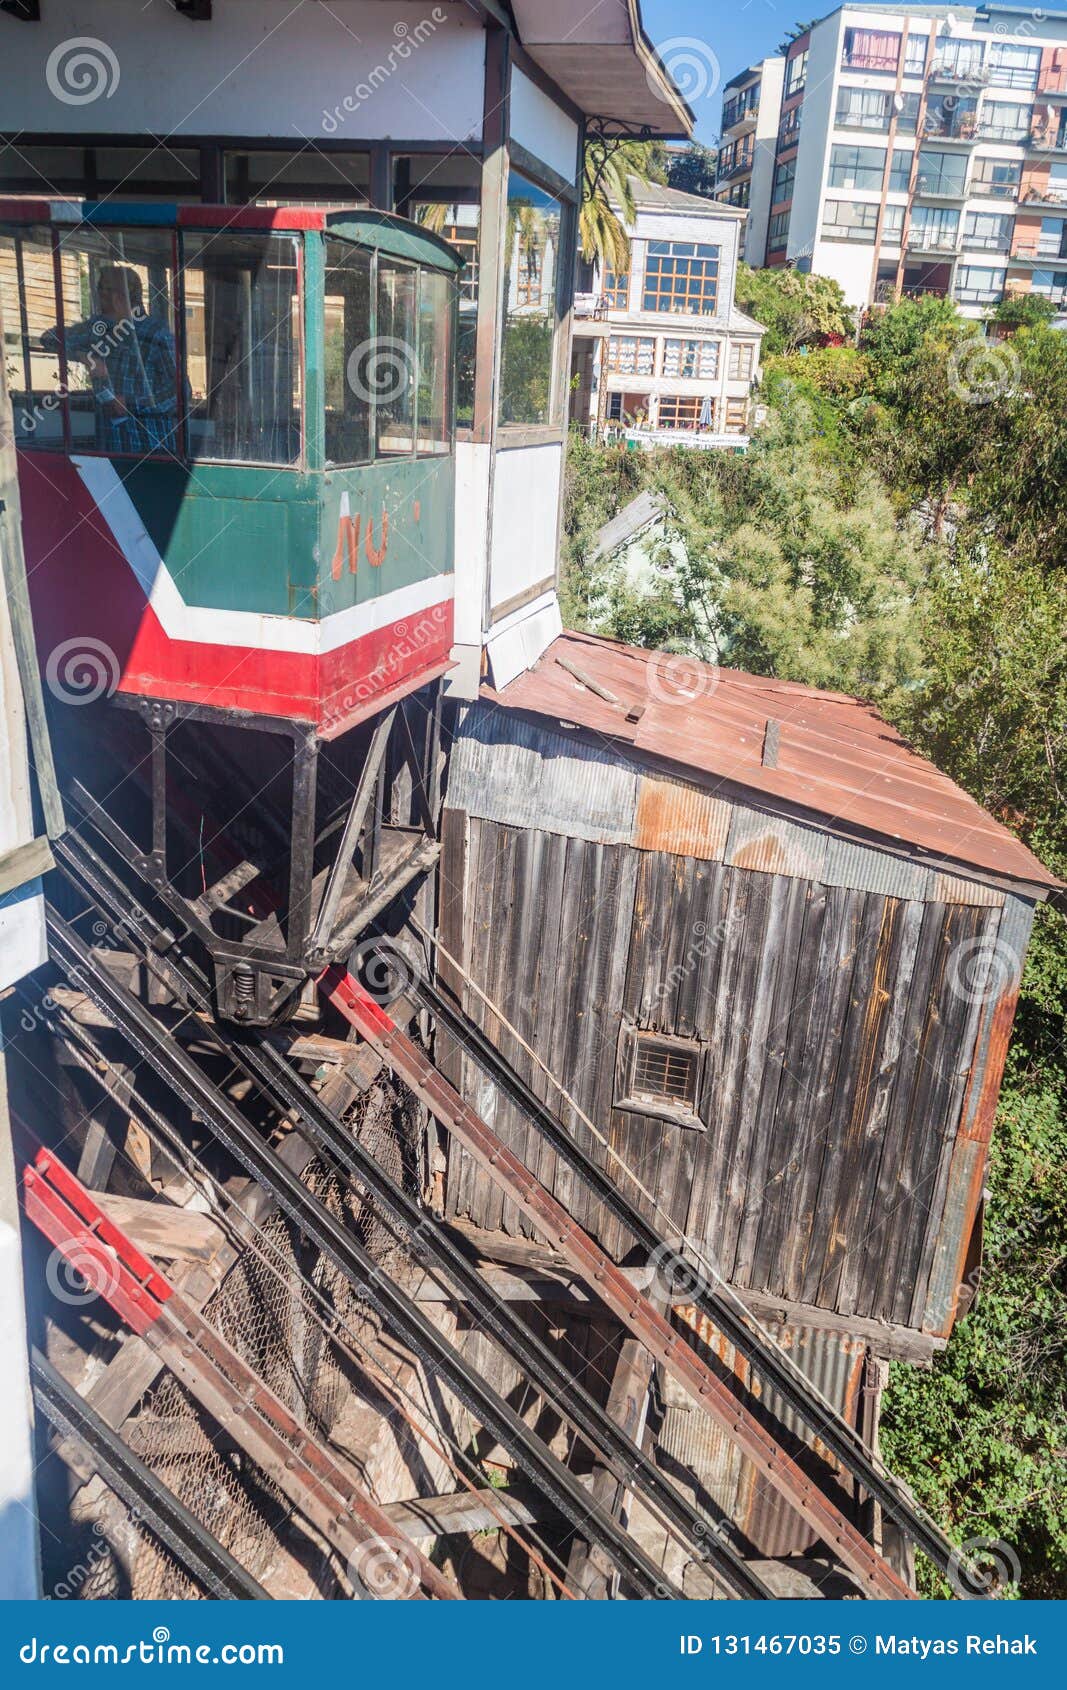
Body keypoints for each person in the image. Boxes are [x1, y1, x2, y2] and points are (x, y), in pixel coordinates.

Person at [42, 265, 179, 455]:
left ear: (120, 296)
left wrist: (130, 404)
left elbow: (180, 393)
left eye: (104, 289)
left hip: (150, 448)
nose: (99, 296)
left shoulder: (155, 334)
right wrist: (85, 357)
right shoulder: (97, 330)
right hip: (110, 448)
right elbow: (49, 338)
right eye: (99, 289)